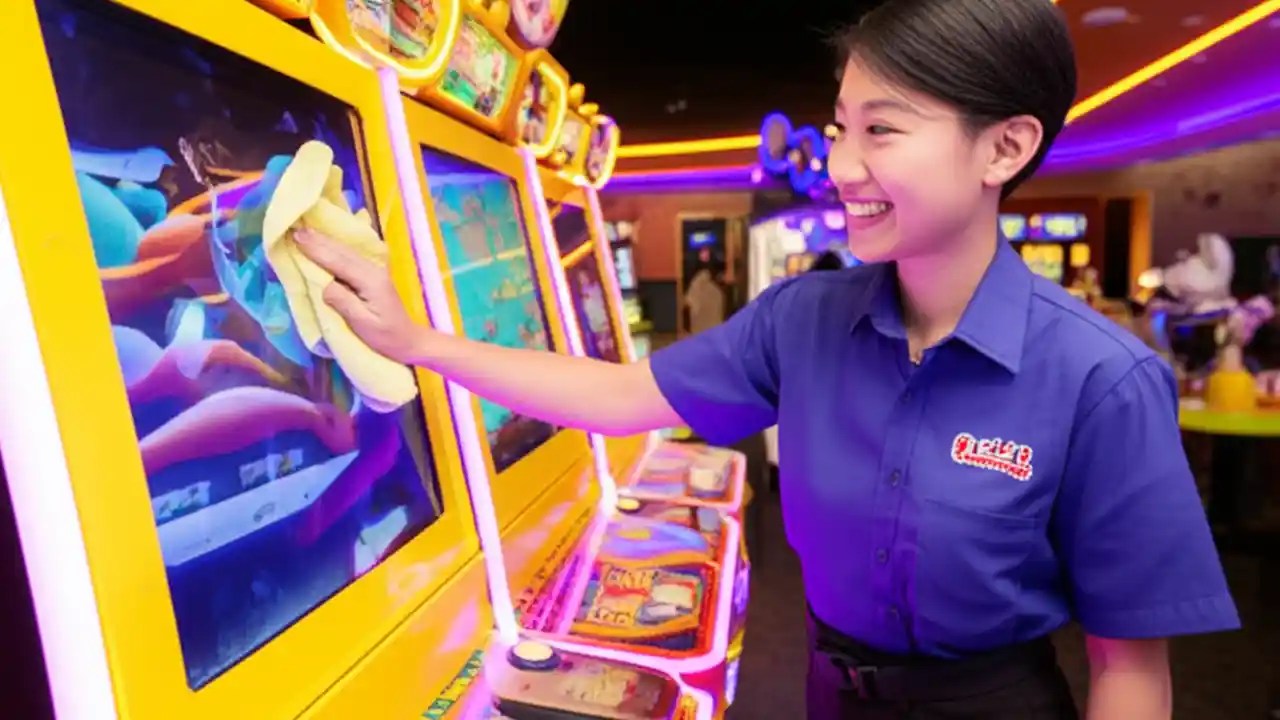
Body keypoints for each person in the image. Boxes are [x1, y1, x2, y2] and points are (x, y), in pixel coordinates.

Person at [293, 0, 1239, 716]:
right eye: (840, 125)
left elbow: (1129, 664)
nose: (842, 165)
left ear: (1006, 146)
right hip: (824, 688)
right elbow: (622, 394)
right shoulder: (803, 318)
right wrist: (416, 344)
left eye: (883, 129)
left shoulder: (1103, 379)